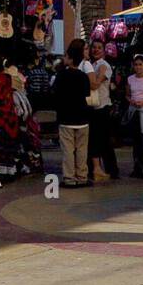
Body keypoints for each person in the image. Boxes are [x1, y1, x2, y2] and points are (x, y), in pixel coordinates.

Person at [53, 38, 92, 187]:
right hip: (82, 117)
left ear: (69, 57)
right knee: (82, 149)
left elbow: (55, 94)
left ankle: (69, 178)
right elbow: (86, 95)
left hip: (66, 117)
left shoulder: (61, 75)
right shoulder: (83, 76)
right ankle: (82, 176)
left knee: (68, 150)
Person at [81, 39, 118, 180]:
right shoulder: (90, 64)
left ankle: (111, 169)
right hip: (93, 106)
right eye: (94, 47)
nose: (96, 50)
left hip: (102, 106)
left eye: (99, 48)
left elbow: (95, 85)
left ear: (103, 50)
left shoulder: (104, 66)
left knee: (104, 140)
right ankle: (95, 169)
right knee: (95, 139)